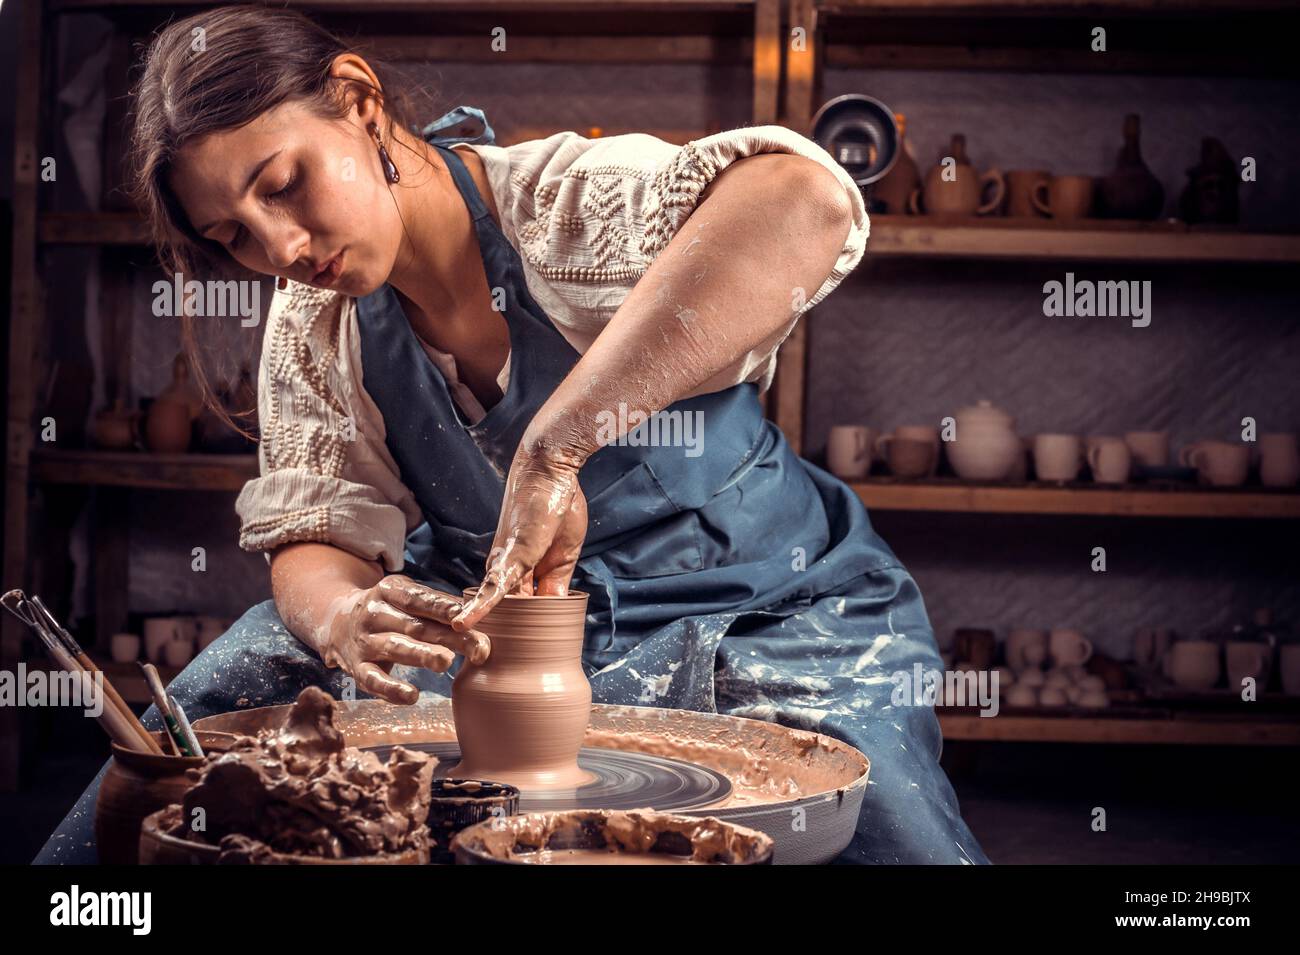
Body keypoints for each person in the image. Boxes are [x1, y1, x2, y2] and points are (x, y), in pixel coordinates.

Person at [36, 5, 987, 865]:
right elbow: (316, 536)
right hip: (489, 631)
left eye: (283, 184)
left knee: (872, 825)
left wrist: (555, 448)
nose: (280, 249)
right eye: (233, 236)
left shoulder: (568, 202)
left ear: (360, 103)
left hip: (762, 602)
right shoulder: (313, 322)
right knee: (204, 724)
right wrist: (339, 614)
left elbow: (804, 203)